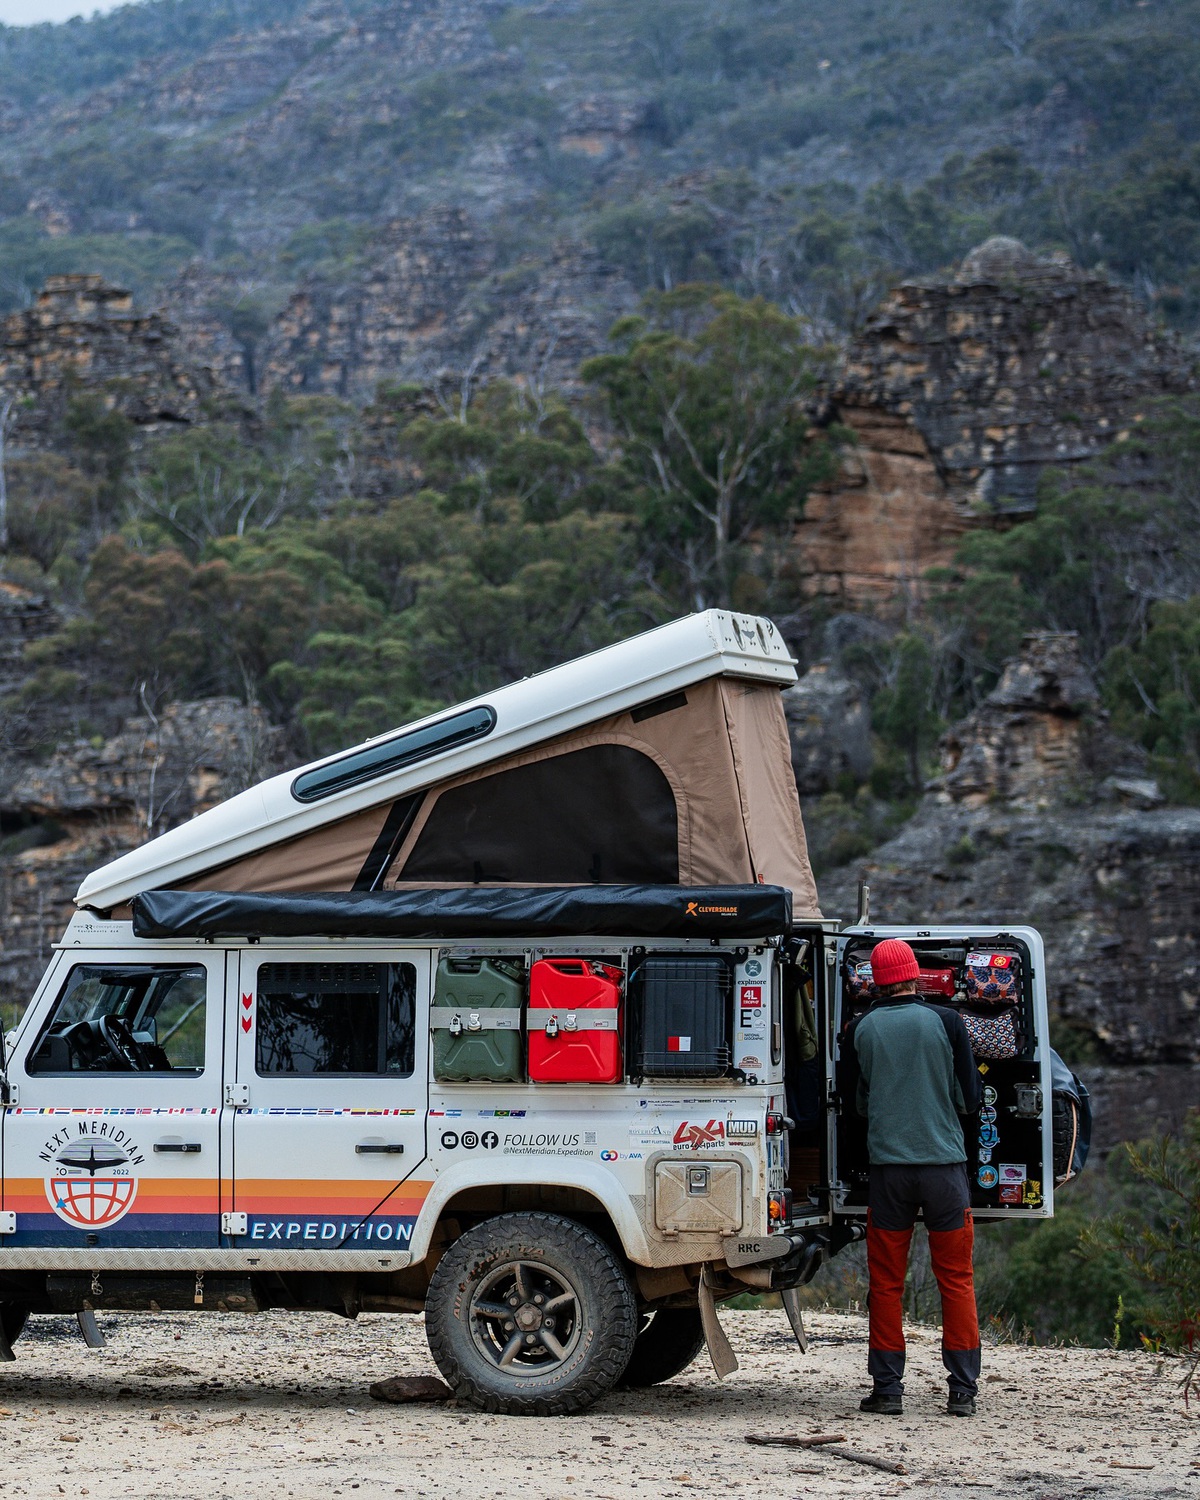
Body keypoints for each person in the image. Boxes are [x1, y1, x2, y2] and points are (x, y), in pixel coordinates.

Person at [840, 937, 982, 1417]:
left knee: (885, 1283)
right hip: (944, 1171)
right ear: (915, 974)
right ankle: (962, 1393)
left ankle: (887, 1392)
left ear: (877, 981)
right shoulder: (947, 1021)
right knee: (956, 1281)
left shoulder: (860, 1028)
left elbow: (855, 1104)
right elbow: (971, 1098)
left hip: (889, 1174)